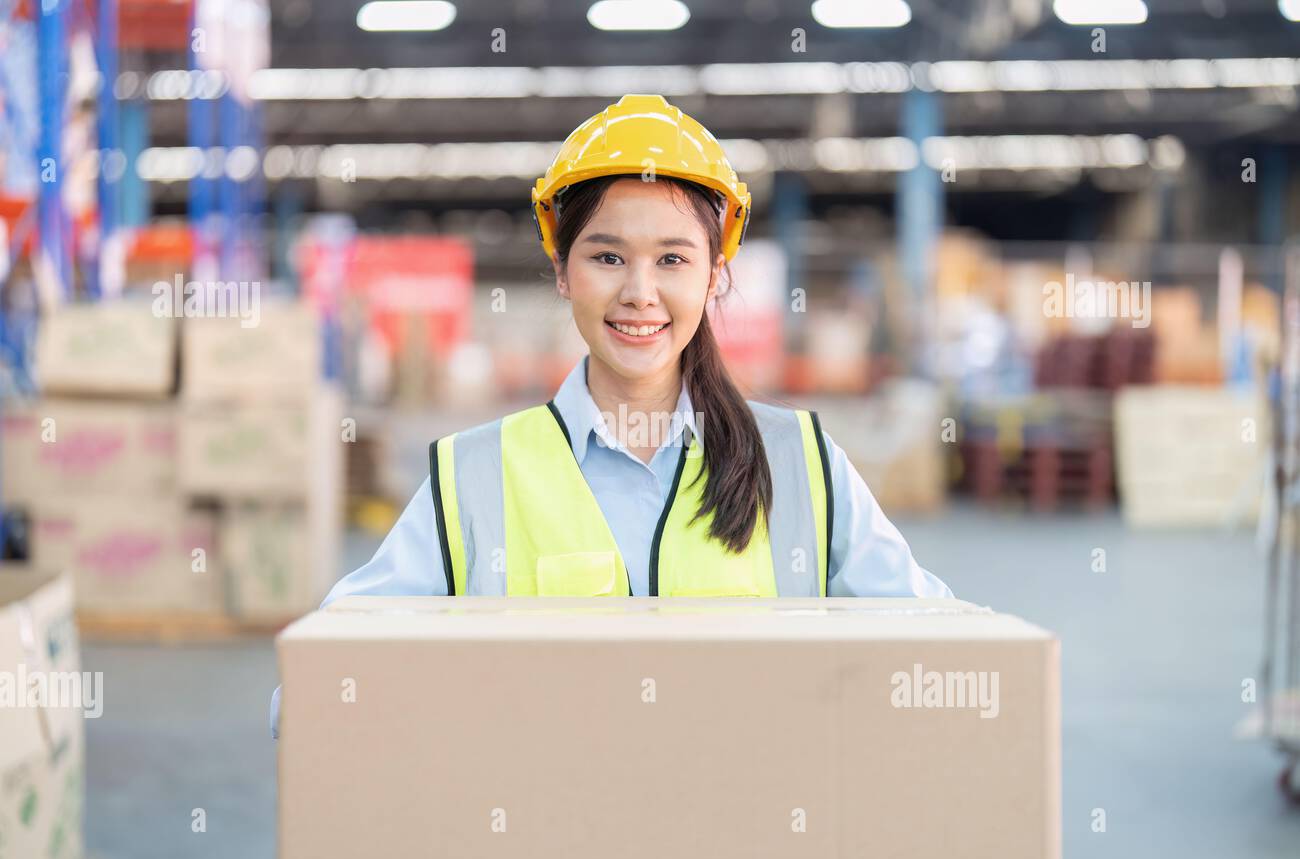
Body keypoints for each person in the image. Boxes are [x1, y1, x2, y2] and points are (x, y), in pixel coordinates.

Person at [271, 94, 952, 739]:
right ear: (562, 271)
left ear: (715, 276)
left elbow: (937, 646)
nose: (639, 293)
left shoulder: (800, 463)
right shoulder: (474, 476)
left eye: (673, 260)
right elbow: (317, 688)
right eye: (607, 257)